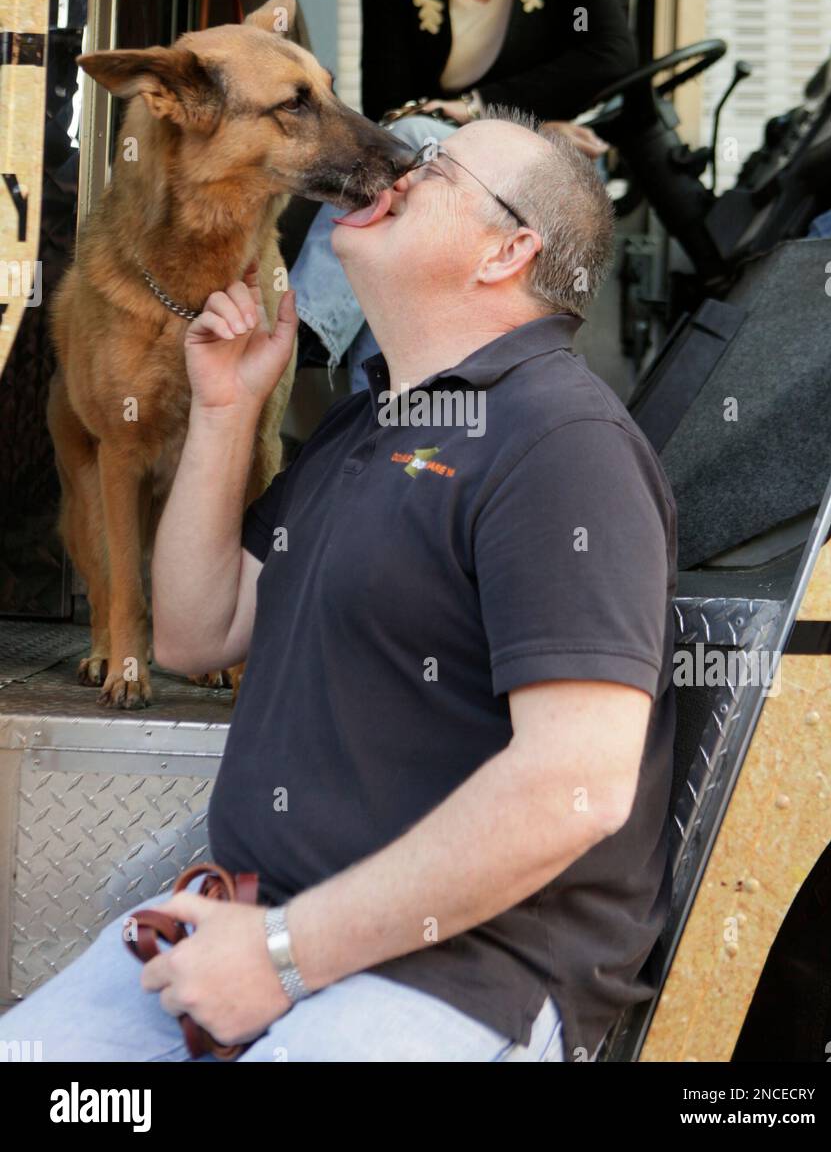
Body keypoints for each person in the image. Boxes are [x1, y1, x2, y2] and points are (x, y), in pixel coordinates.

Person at [0, 108, 676, 1064]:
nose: (397, 165)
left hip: (459, 973)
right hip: (250, 929)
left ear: (508, 250)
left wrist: (284, 955)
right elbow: (198, 633)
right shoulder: (366, 429)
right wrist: (227, 413)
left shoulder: (564, 449)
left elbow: (576, 786)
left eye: (437, 165)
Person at [292, 0, 637, 390]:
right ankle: (387, 408)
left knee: (424, 147)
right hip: (433, 159)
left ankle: (301, 334)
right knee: (417, 151)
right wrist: (471, 124)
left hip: (547, 164)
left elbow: (610, 56)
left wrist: (502, 120)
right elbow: (389, 108)